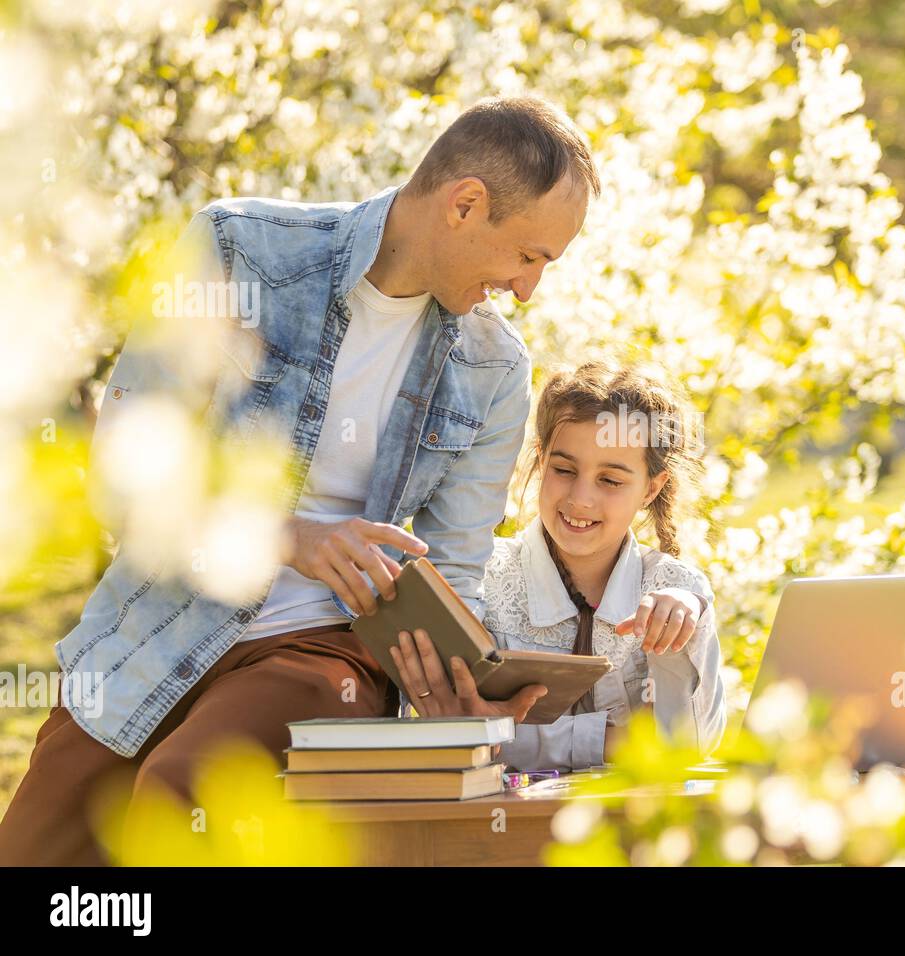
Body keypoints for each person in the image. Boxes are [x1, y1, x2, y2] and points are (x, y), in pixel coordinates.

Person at [0, 95, 598, 866]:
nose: (528, 289)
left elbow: (455, 572)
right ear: (465, 204)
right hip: (159, 622)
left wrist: (457, 694)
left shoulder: (493, 368)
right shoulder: (239, 251)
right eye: (529, 255)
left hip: (326, 655)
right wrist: (290, 537)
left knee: (180, 797)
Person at [388, 361, 727, 771]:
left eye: (611, 481)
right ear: (540, 459)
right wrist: (611, 742)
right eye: (564, 470)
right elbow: (452, 730)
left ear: (651, 488)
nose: (580, 499)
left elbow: (687, 750)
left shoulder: (677, 588)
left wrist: (678, 640)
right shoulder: (476, 578)